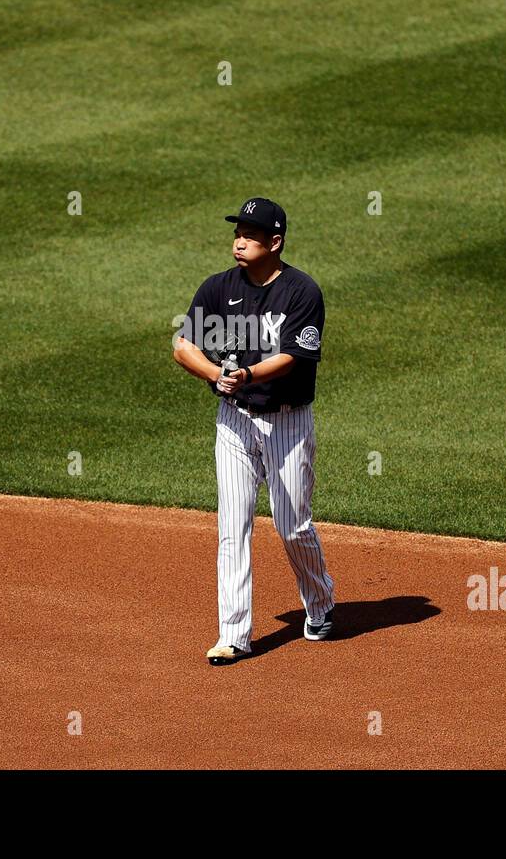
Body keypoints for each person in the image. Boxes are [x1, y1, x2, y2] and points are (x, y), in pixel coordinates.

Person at [173, 197, 336, 666]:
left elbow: (296, 357)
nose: (239, 241)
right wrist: (212, 373)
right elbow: (183, 346)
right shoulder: (217, 289)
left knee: (292, 525)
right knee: (232, 526)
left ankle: (321, 601)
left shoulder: (302, 292)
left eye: (249, 234)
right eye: (236, 232)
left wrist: (246, 374)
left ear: (275, 242)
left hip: (287, 421)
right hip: (234, 423)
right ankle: (234, 634)